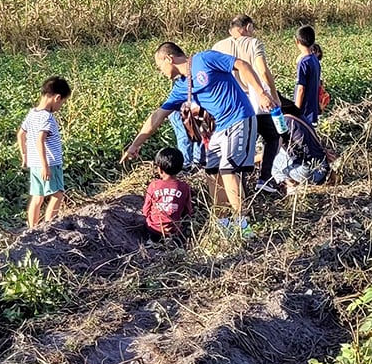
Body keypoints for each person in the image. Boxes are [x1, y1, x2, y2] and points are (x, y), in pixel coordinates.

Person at [121, 42, 275, 220]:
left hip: (239, 117)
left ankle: (242, 221)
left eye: (159, 66)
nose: (160, 72)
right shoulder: (181, 87)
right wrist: (134, 145)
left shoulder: (204, 59)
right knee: (211, 172)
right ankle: (223, 220)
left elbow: (242, 65)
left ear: (169, 59)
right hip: (219, 128)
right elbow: (157, 117)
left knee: (228, 170)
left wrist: (262, 93)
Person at [212, 14, 284, 193]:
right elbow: (263, 71)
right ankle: (265, 179)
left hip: (229, 103)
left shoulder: (218, 47)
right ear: (248, 27)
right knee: (273, 137)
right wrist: (273, 95)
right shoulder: (253, 43)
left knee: (240, 144)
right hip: (254, 99)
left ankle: (241, 188)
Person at [18, 76, 71, 228]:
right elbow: (40, 140)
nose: (61, 106)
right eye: (62, 102)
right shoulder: (47, 118)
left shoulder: (32, 113)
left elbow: (21, 134)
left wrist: (24, 155)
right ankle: (49, 226)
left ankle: (32, 228)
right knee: (57, 194)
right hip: (50, 163)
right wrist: (45, 166)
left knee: (37, 197)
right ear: (57, 98)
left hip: (34, 164)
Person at [142, 147, 192, 242]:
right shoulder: (185, 187)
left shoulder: (154, 185)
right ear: (180, 168)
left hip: (153, 229)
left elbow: (146, 210)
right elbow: (188, 211)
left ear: (160, 170)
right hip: (174, 231)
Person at [272, 113, 330, 190]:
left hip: (308, 174)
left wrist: (253, 160)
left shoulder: (280, 124)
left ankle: (287, 183)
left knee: (271, 162)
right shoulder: (297, 117)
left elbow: (271, 152)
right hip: (322, 168)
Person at [293, 25, 321, 125]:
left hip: (304, 111)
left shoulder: (303, 63)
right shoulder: (315, 59)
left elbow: (301, 89)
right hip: (312, 109)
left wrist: (296, 111)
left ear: (297, 41)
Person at [311, 43, 331, 114]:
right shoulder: (311, 62)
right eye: (312, 51)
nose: (313, 53)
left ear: (319, 53)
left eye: (315, 51)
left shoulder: (317, 63)